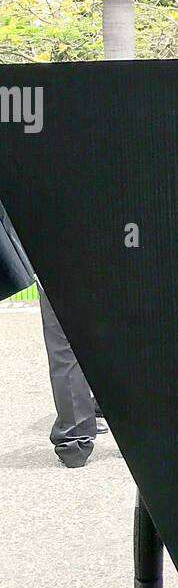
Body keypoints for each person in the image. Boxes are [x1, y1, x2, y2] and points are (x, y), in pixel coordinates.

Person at [0, 196, 106, 468]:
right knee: (122, 332)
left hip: (56, 229)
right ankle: (119, 422)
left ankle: (75, 441)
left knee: (65, 339)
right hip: (111, 225)